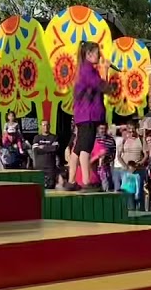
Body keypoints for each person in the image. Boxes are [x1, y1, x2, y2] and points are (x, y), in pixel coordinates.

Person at [67, 42, 115, 191]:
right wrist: (106, 72)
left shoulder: (84, 69)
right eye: (97, 52)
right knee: (85, 149)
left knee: (77, 149)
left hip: (82, 116)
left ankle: (71, 180)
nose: (99, 55)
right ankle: (86, 181)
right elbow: (102, 87)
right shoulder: (88, 71)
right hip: (89, 115)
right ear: (88, 54)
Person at [32, 120, 59, 189]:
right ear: (40, 126)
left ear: (50, 126)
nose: (45, 127)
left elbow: (55, 148)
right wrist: (49, 148)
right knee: (39, 188)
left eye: (47, 125)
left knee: (51, 187)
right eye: (44, 125)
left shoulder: (54, 137)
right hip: (39, 168)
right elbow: (36, 150)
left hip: (50, 168)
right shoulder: (37, 138)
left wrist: (43, 147)